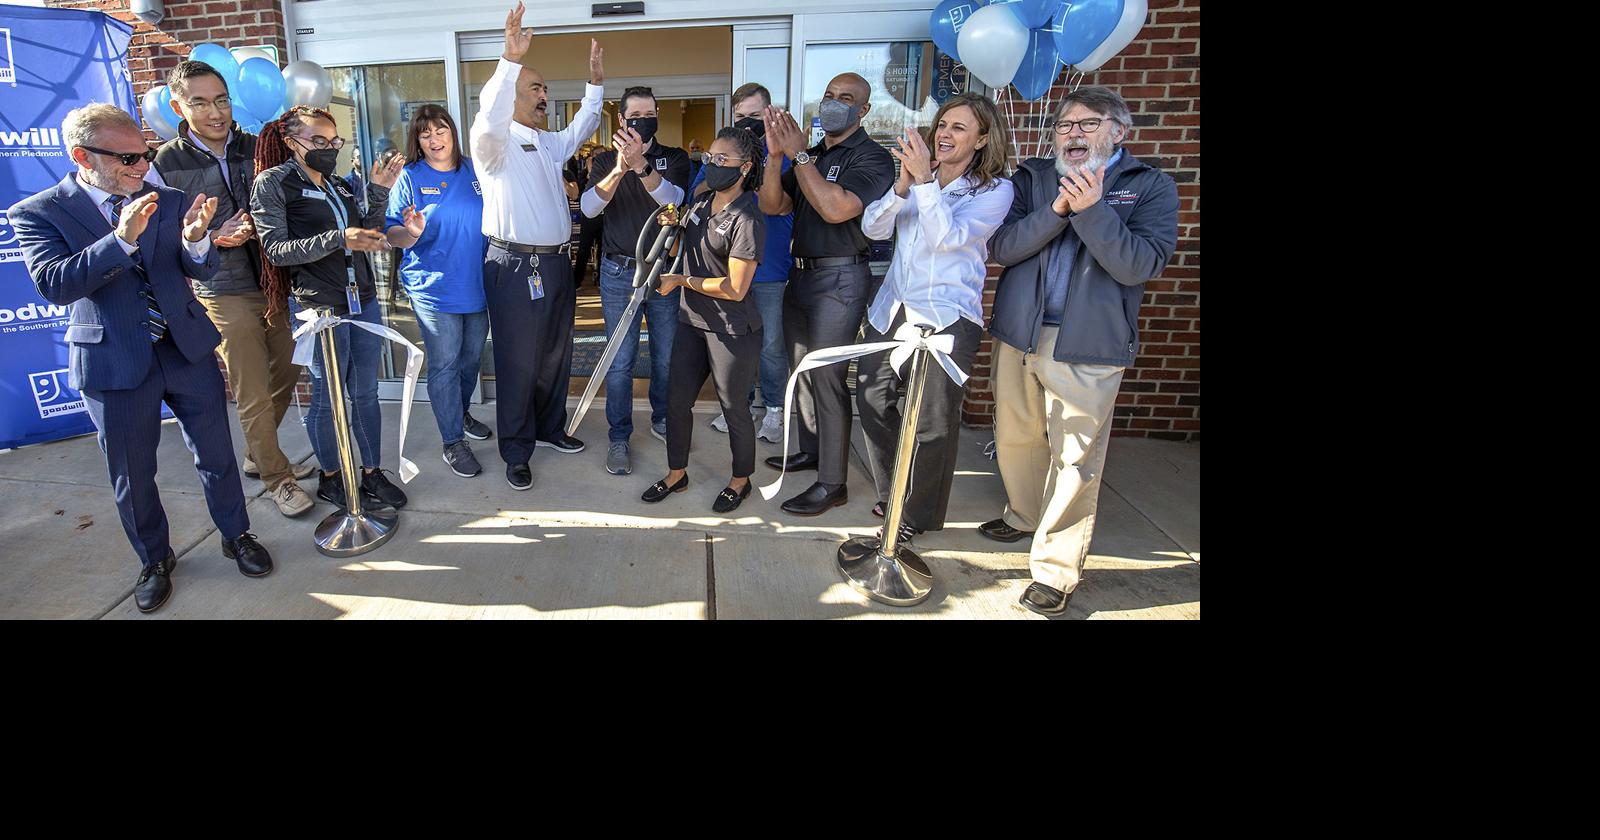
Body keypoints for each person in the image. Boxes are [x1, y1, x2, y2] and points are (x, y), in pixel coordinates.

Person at [10, 102, 273, 613]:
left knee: (218, 456)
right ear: (81, 155)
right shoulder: (39, 212)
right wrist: (121, 238)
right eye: (127, 159)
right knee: (133, 471)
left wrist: (198, 242)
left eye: (145, 155)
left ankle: (237, 535)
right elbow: (57, 284)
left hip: (185, 349)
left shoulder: (167, 199)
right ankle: (154, 559)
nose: (140, 167)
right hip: (113, 359)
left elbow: (191, 268)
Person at [983, 86, 1180, 616]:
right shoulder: (1033, 179)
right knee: (1017, 436)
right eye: (1066, 125)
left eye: (1088, 124)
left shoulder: (1148, 186)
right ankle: (1024, 515)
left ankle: (1054, 570)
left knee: (1075, 460)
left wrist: (1092, 211)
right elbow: (1003, 247)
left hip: (1088, 343)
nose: (1074, 133)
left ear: (1119, 132)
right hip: (1020, 333)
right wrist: (1058, 208)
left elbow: (1138, 266)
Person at [149, 59, 316, 518]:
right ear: (179, 107)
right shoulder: (165, 164)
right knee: (252, 388)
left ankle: (258, 455)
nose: (215, 112)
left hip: (275, 280)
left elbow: (289, 202)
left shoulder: (257, 146)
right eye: (200, 103)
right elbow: (164, 238)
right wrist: (209, 236)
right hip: (221, 288)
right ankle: (276, 477)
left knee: (287, 370)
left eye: (220, 99)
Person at [855, 93, 1013, 547]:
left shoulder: (995, 190)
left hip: (946, 318)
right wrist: (904, 186)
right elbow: (873, 229)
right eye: (943, 124)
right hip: (892, 311)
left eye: (960, 128)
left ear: (983, 139)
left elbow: (948, 239)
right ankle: (893, 494)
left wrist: (924, 182)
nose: (945, 133)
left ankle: (916, 514)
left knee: (930, 422)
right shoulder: (918, 181)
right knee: (872, 400)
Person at [470, 1, 605, 490]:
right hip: (512, 264)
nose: (544, 94)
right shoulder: (494, 143)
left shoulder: (546, 143)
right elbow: (488, 113)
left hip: (552, 264)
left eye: (545, 87)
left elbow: (582, 128)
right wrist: (509, 61)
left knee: (554, 353)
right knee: (518, 359)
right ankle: (516, 448)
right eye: (535, 88)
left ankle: (549, 429)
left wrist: (594, 85)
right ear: (512, 97)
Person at [251, 105, 408, 512]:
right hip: (318, 308)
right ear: (291, 142)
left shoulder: (338, 184)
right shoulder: (275, 183)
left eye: (333, 141)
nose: (328, 148)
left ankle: (372, 473)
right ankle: (332, 475)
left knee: (365, 391)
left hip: (363, 300)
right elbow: (275, 250)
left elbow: (367, 233)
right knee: (327, 396)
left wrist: (379, 192)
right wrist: (338, 237)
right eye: (318, 141)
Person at [758, 73, 895, 516]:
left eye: (846, 99)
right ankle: (813, 451)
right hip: (801, 276)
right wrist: (776, 157)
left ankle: (833, 483)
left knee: (828, 378)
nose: (834, 104)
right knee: (802, 372)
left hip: (839, 280)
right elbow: (772, 205)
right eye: (829, 96)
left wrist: (798, 154)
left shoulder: (873, 158)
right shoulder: (813, 156)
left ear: (864, 110)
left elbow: (836, 209)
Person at [641, 127, 766, 513]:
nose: (711, 165)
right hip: (691, 321)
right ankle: (677, 474)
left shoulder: (747, 218)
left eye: (721, 160)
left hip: (731, 330)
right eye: (709, 157)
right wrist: (670, 229)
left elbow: (736, 288)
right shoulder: (700, 202)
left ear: (744, 168)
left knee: (734, 409)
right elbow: (684, 247)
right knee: (677, 402)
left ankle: (740, 481)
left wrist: (682, 281)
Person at [580, 85, 690, 475]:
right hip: (617, 273)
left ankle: (661, 418)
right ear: (622, 120)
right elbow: (590, 208)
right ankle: (619, 436)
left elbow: (673, 201)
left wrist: (642, 165)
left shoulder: (673, 157)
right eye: (635, 116)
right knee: (620, 360)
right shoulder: (604, 160)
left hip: (662, 271)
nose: (643, 121)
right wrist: (619, 168)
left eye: (650, 113)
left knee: (665, 354)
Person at [384, 104, 493, 480]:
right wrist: (411, 232)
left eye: (440, 130)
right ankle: (452, 442)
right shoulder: (411, 177)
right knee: (445, 364)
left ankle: (459, 414)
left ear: (452, 132)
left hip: (477, 286)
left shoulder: (473, 169)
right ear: (417, 140)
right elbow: (393, 234)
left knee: (470, 360)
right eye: (425, 134)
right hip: (434, 290)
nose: (434, 140)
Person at [695, 82, 793, 447]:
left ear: (769, 114)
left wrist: (770, 156)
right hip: (727, 270)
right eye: (741, 117)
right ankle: (738, 405)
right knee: (734, 342)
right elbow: (700, 193)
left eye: (756, 116)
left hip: (768, 271)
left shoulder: (783, 159)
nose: (748, 123)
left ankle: (773, 410)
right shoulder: (724, 156)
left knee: (770, 345)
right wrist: (723, 166)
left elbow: (771, 204)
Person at [564, 141, 603, 288]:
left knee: (603, 249)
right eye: (596, 155)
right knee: (583, 249)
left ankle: (600, 278)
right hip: (589, 218)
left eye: (602, 155)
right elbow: (578, 195)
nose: (599, 158)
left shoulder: (610, 173)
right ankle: (577, 280)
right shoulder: (582, 175)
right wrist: (590, 172)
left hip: (606, 217)